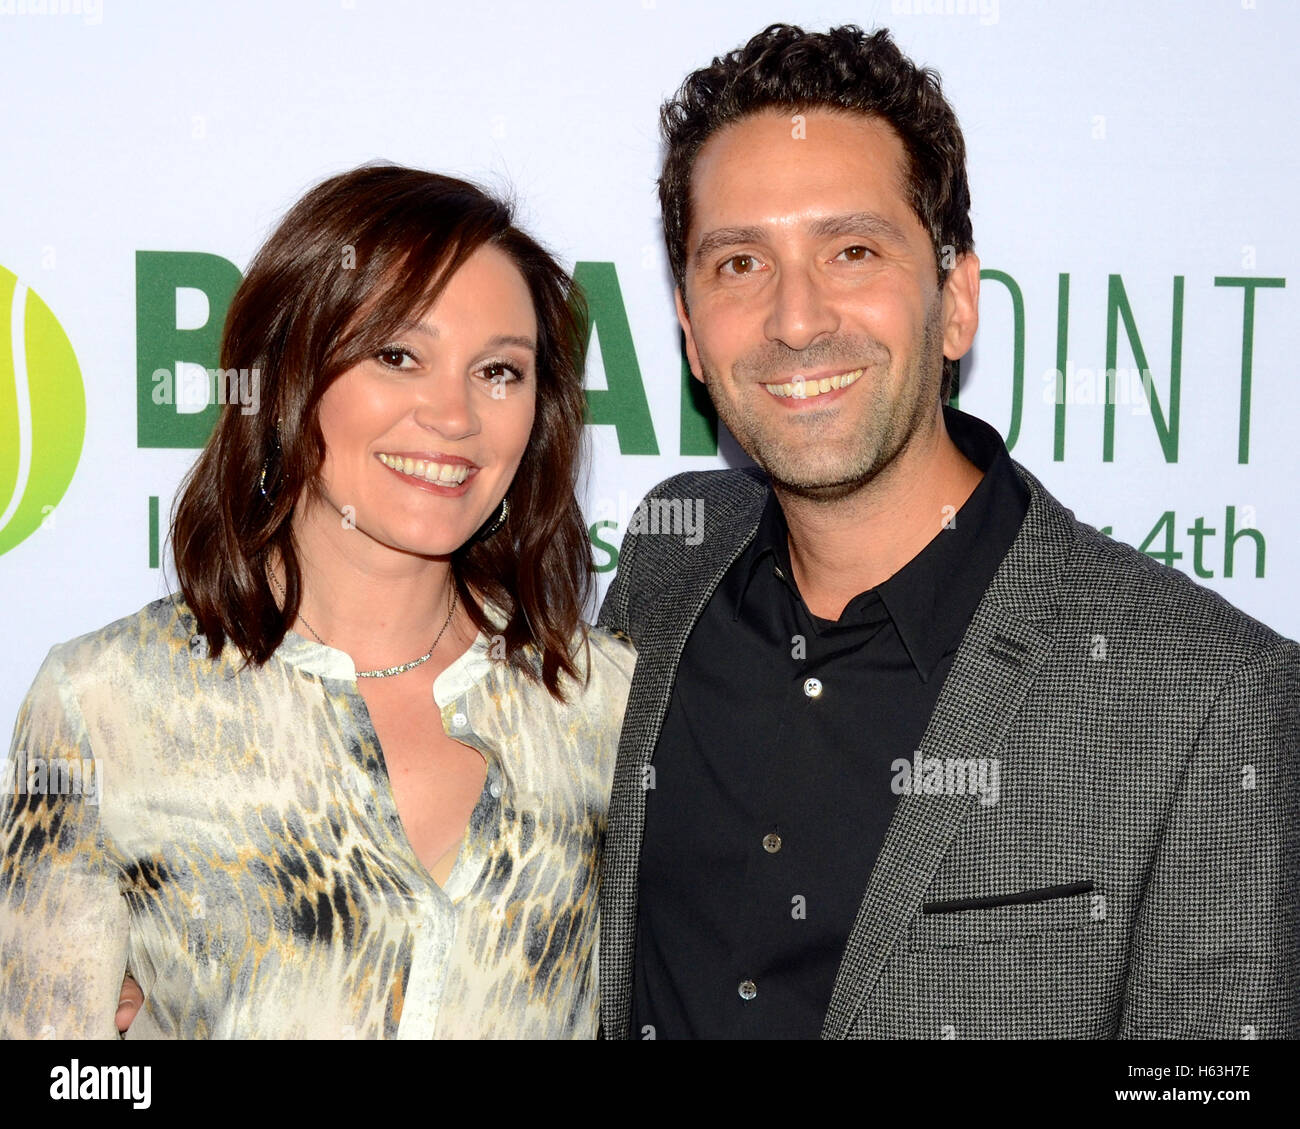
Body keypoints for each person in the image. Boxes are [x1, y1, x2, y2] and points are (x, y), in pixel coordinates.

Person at [596, 24, 1299, 1039]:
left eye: (851, 251)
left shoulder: (1204, 694)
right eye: (740, 262)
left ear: (956, 301)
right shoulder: (666, 563)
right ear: (691, 334)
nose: (796, 319)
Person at [0, 164, 634, 1039]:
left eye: (499, 370)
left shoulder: (602, 705)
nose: (453, 415)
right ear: (288, 371)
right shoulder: (103, 705)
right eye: (397, 355)